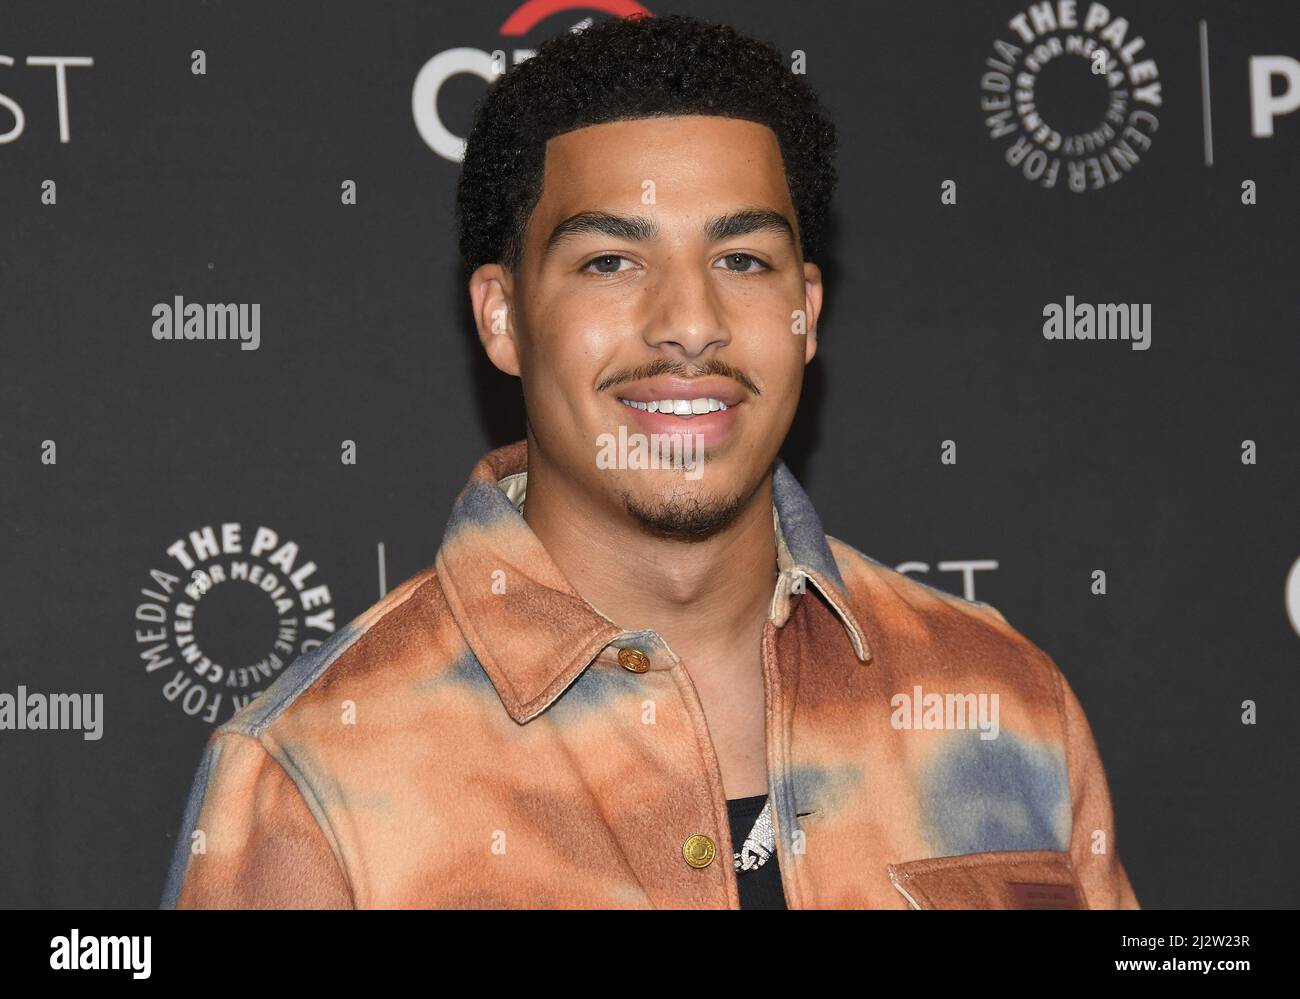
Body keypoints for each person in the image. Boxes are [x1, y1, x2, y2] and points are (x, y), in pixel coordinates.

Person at [161, 13, 1138, 910]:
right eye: (610, 262)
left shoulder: (1003, 699)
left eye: (741, 261)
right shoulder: (313, 770)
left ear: (806, 312)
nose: (688, 326)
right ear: (502, 318)